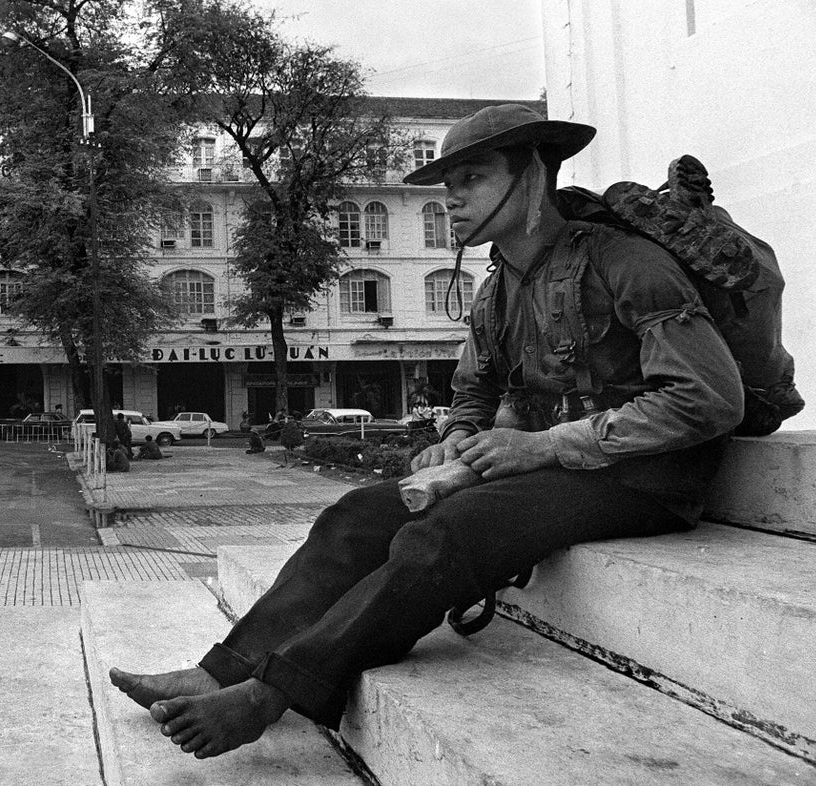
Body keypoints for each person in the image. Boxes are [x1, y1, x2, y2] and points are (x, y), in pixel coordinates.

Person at [108, 103, 744, 760]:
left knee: (445, 532)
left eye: (472, 179)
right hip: (547, 468)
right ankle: (222, 669)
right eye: (448, 185)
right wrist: (454, 439)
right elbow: (473, 393)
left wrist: (544, 445)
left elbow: (707, 397)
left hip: (645, 474)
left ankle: (271, 695)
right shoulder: (499, 289)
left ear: (531, 176)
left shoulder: (625, 263)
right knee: (355, 515)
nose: (452, 200)